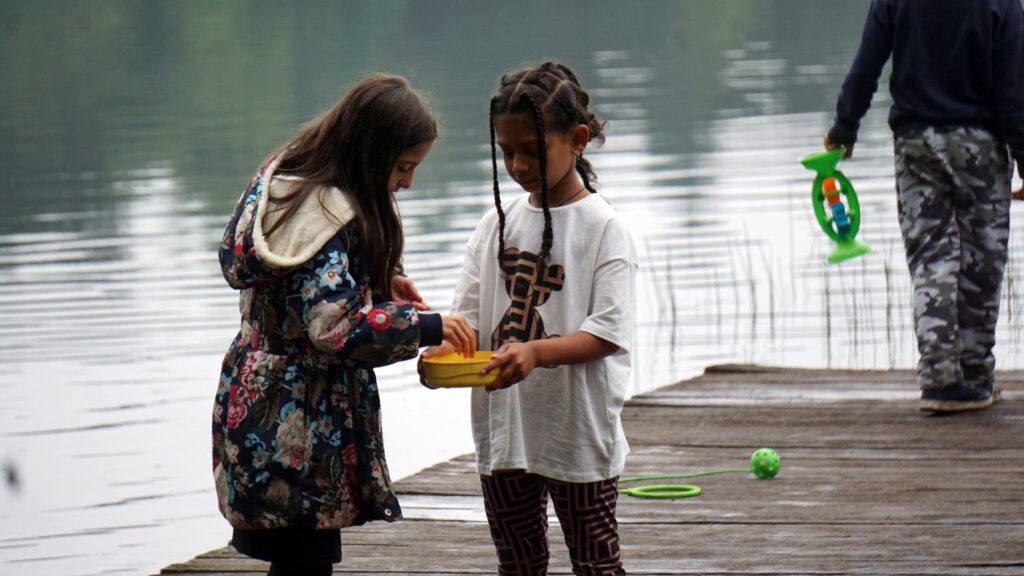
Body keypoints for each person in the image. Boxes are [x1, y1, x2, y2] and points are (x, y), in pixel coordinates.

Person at [213, 74, 476, 576]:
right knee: (306, 562)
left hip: (256, 397)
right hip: (297, 421)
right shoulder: (326, 209)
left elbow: (300, 287)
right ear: (370, 154)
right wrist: (426, 325)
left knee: (296, 560)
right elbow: (336, 326)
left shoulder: (285, 178)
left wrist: (379, 283)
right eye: (402, 167)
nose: (407, 183)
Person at [422, 61, 637, 575]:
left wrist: (536, 352)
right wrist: (440, 352)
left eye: (531, 152)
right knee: (518, 565)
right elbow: (468, 322)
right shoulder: (494, 225)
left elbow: (606, 332)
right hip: (505, 430)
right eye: (506, 152)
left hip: (577, 431)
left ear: (578, 139)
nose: (517, 165)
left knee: (596, 563)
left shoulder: (604, 229)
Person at [824, 0, 1024, 412]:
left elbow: (866, 67)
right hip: (979, 143)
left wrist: (845, 126)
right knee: (982, 258)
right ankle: (974, 377)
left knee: (932, 255)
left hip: (915, 142)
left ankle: (939, 379)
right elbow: (1013, 89)